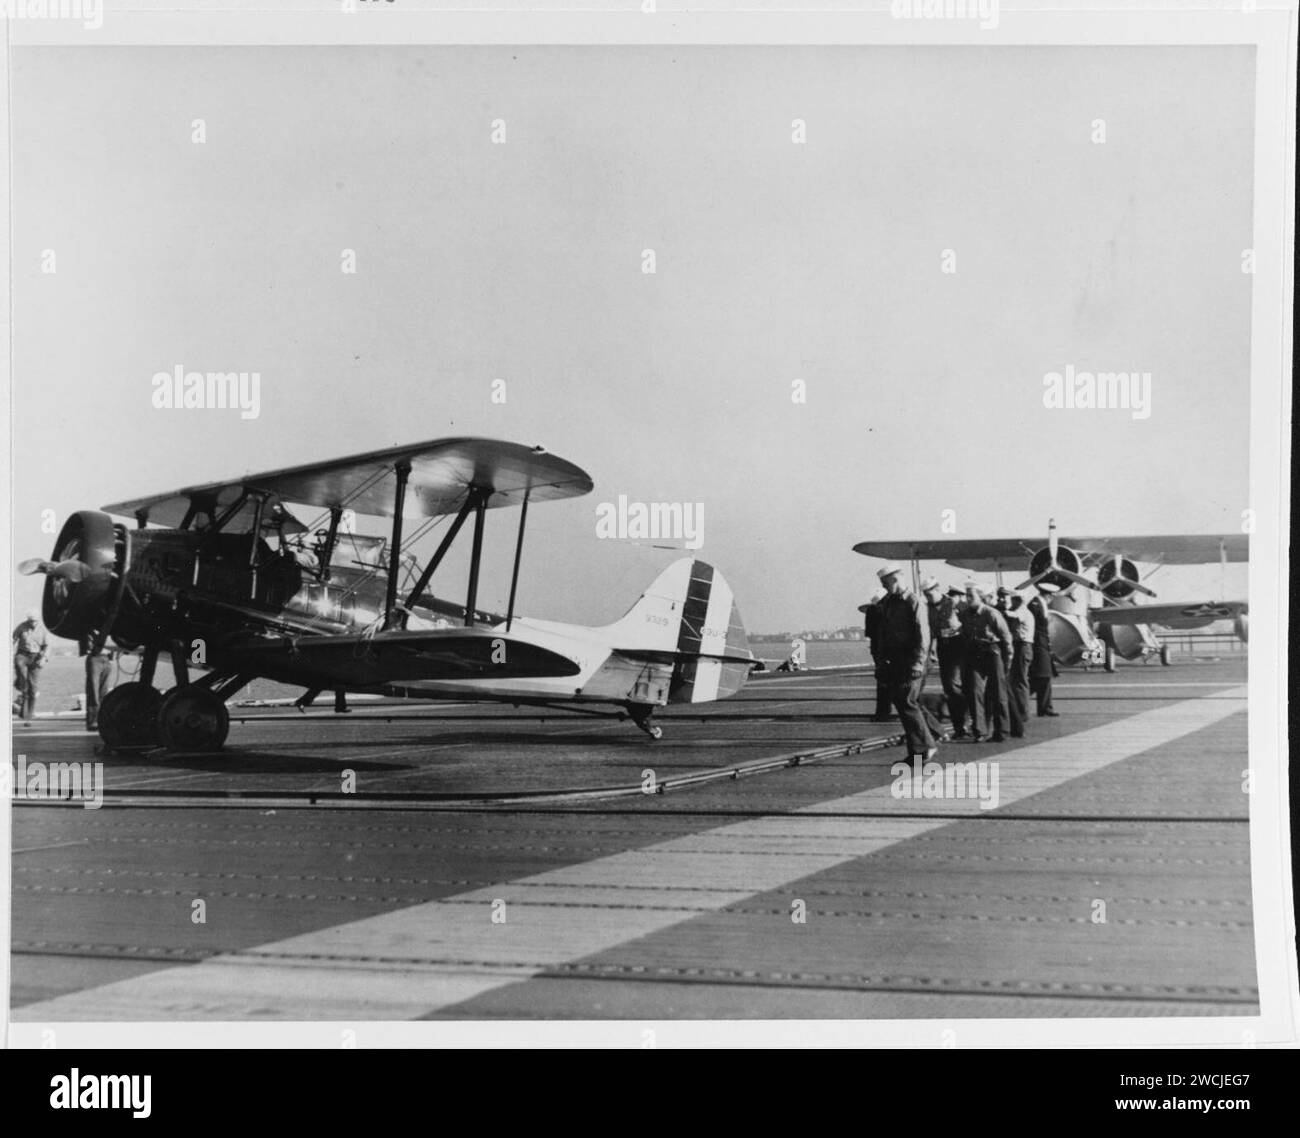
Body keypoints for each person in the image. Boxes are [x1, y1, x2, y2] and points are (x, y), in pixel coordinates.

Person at [875, 564, 936, 763]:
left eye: (886, 583)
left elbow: (923, 635)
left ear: (896, 579)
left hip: (913, 659)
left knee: (907, 701)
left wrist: (918, 663)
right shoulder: (890, 602)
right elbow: (884, 632)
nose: (885, 587)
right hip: (897, 660)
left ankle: (926, 746)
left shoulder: (914, 601)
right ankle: (921, 746)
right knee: (904, 702)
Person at [960, 586, 1012, 742]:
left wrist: (1008, 658)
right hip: (975, 653)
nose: (968, 599)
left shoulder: (991, 613)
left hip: (992, 651)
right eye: (967, 596)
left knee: (998, 692)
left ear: (980, 597)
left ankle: (1002, 730)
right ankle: (980, 731)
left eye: (971, 596)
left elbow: (1006, 636)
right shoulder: (964, 615)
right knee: (975, 691)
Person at [928, 583, 969, 738]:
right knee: (949, 688)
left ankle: (963, 724)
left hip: (957, 646)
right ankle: (959, 726)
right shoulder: (931, 607)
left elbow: (967, 625)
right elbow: (932, 629)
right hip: (943, 646)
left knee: (954, 686)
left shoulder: (957, 605)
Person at [997, 588, 1034, 739]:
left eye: (1014, 599)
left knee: (1020, 681)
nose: (1012, 602)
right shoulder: (1024, 610)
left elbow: (1011, 615)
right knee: (1019, 680)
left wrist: (1001, 609)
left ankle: (1023, 712)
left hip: (1022, 646)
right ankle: (1022, 710)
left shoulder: (1022, 611)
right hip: (1022, 646)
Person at [860, 590, 892, 722]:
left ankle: (882, 712)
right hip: (891, 650)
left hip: (879, 650)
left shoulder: (872, 612)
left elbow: (869, 633)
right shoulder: (890, 611)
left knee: (883, 683)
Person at [12, 610, 49, 722]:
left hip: (36, 657)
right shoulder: (21, 627)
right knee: (19, 665)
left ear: (37, 621)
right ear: (28, 620)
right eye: (31, 621)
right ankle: (20, 682)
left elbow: (47, 646)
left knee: (32, 688)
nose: (32, 623)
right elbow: (13, 639)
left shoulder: (42, 630)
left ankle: (29, 714)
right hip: (22, 654)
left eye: (34, 621)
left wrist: (44, 658)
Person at [1027, 592, 1059, 716]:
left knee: (1045, 677)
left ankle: (1045, 708)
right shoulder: (1035, 605)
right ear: (1048, 595)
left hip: (1043, 645)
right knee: (1042, 677)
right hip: (1038, 646)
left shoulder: (1040, 604)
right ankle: (1018, 698)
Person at [79, 633, 116, 731]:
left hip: (106, 659)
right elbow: (89, 645)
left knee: (104, 692)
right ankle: (92, 721)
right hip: (95, 658)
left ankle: (102, 720)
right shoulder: (90, 631)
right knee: (93, 691)